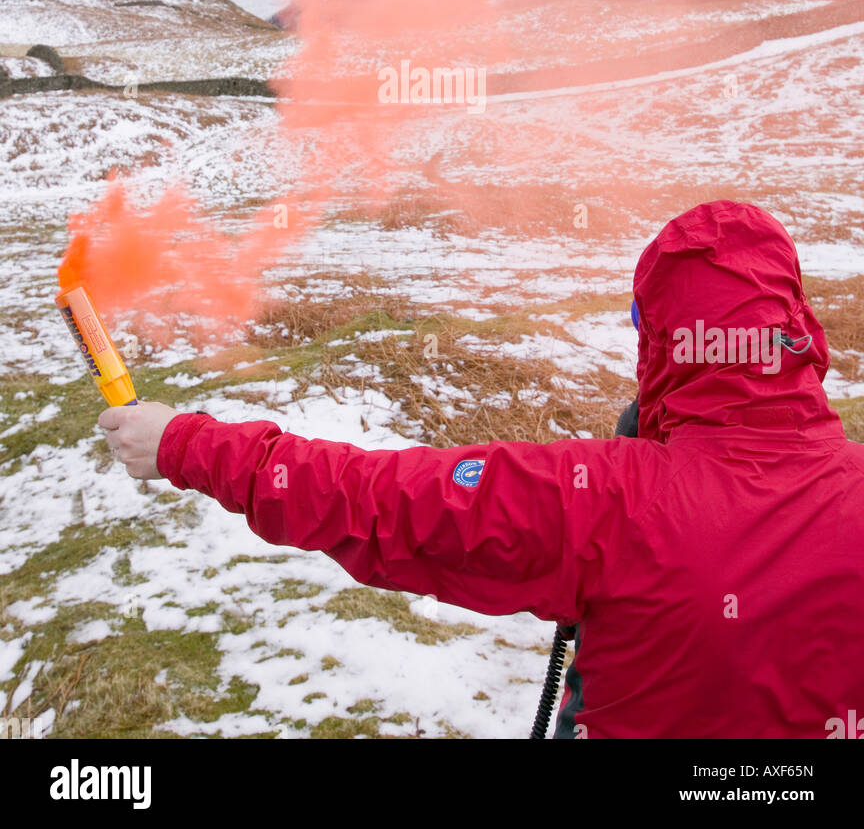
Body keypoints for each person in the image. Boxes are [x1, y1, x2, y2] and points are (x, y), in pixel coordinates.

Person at [100, 200, 864, 738]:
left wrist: (180, 444)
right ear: (795, 327)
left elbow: (375, 502)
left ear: (661, 340)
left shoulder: (608, 499)